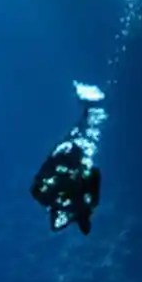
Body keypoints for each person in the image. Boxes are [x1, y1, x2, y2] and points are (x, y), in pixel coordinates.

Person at [30, 81, 106, 235]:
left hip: (68, 158)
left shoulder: (50, 193)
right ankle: (92, 108)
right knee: (83, 135)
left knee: (80, 135)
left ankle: (91, 108)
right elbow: (94, 174)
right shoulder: (82, 202)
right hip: (73, 161)